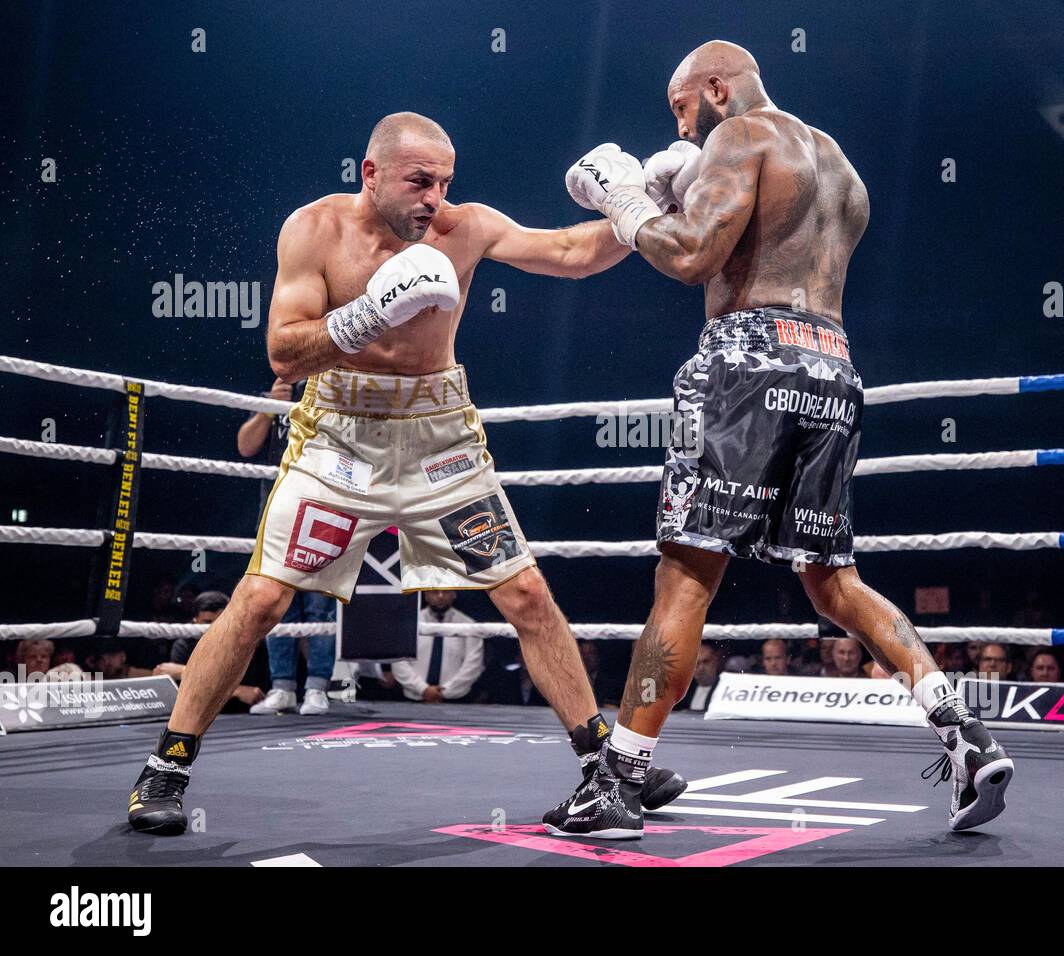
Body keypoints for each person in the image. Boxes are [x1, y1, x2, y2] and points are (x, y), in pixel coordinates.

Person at [125, 111, 685, 835]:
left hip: (440, 438)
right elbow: (284, 354)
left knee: (525, 594)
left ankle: (602, 767)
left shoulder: (465, 227)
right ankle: (166, 767)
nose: (435, 198)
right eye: (421, 181)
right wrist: (369, 315)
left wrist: (640, 210)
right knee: (262, 598)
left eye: (445, 182)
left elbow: (572, 251)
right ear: (372, 174)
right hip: (338, 439)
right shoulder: (313, 230)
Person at [546, 41, 1012, 840]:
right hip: (832, 363)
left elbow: (693, 257)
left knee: (687, 573)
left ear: (718, 89)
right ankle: (964, 734)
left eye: (683, 108)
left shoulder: (741, 137)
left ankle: (617, 784)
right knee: (833, 580)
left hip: (745, 363)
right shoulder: (841, 168)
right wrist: (675, 188)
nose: (683, 128)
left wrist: (627, 202)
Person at [239, 375, 338, 717]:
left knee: (320, 606)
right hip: (277, 511)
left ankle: (317, 688)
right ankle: (281, 687)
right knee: (276, 603)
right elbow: (245, 446)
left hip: (325, 507)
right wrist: (269, 408)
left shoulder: (337, 389)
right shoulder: (273, 395)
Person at [155, 591, 269, 713]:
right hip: (200, 713)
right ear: (195, 621)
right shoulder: (184, 645)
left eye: (220, 621)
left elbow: (255, 692)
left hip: (243, 713)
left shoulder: (249, 644)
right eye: (207, 622)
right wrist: (237, 690)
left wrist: (184, 672)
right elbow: (188, 693)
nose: (214, 628)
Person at [389, 590, 483, 703]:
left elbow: (473, 664)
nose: (440, 596)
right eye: (434, 592)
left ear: (454, 594)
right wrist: (422, 689)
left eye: (446, 591)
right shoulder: (408, 622)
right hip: (414, 697)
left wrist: (446, 691)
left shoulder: (469, 625)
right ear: (426, 595)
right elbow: (398, 662)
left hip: (455, 699)